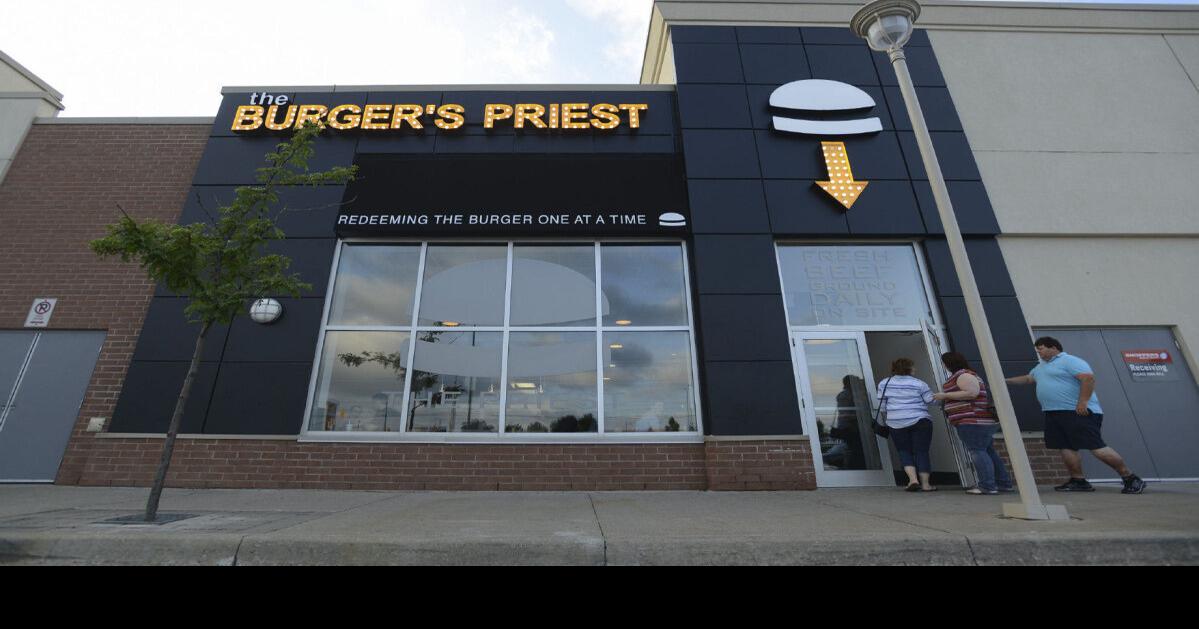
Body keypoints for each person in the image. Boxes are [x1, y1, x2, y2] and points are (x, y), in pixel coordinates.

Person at [1006, 336, 1147, 494]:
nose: (1038, 351)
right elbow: (1027, 379)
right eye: (1037, 348)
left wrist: (1082, 402)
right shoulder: (1041, 367)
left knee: (1096, 446)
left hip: (1078, 411)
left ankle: (1130, 477)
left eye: (1041, 347)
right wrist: (1005, 381)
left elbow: (1088, 378)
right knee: (1066, 447)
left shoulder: (1069, 361)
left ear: (1054, 348)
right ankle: (1078, 481)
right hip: (1053, 413)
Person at [933, 352, 1013, 495]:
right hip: (976, 420)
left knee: (977, 451)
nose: (943, 365)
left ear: (950, 362)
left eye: (944, 362)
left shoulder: (963, 375)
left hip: (972, 420)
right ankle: (1003, 483)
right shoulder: (965, 375)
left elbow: (971, 393)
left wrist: (944, 395)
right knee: (988, 451)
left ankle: (987, 486)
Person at [877, 358, 937, 492]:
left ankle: (912, 480)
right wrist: (942, 398)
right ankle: (926, 485)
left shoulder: (884, 383)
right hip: (920, 420)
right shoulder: (919, 383)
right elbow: (930, 400)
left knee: (904, 451)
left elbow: (882, 407)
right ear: (909, 368)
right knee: (921, 451)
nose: (915, 369)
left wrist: (890, 417)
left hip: (895, 423)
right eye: (913, 367)